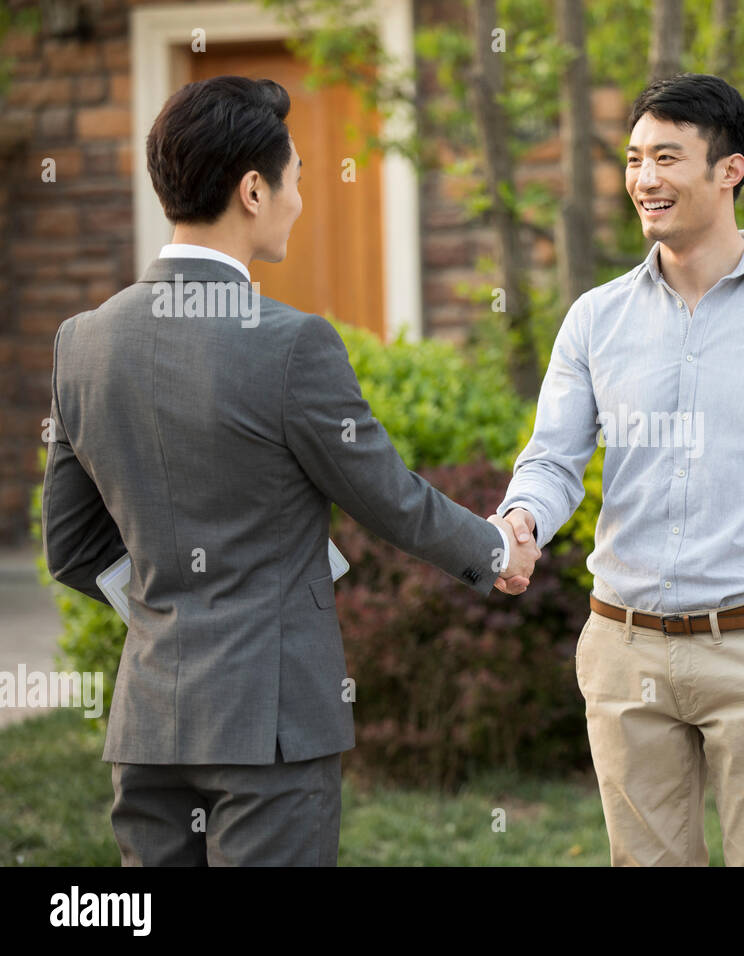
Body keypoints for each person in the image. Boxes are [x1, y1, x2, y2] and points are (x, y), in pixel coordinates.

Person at [40, 76, 538, 866]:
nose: (301, 199)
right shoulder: (290, 343)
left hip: (148, 725)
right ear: (252, 189)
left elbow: (71, 549)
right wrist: (496, 549)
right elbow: (387, 497)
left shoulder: (82, 341)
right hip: (268, 730)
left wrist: (172, 609)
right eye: (297, 177)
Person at [494, 72, 744, 866]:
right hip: (622, 645)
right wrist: (521, 517)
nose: (644, 179)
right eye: (635, 159)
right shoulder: (595, 318)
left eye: (666, 157)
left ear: (729, 169)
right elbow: (554, 459)